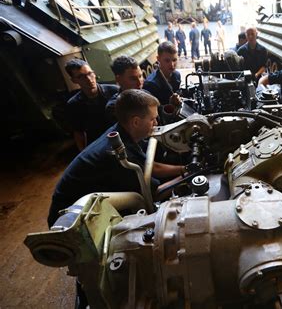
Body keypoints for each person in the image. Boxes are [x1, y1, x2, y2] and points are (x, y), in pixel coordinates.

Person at [48, 89, 185, 227]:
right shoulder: (114, 154)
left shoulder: (121, 132)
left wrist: (183, 169)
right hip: (68, 223)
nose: (156, 123)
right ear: (136, 122)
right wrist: (188, 174)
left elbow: (151, 167)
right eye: (152, 119)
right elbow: (151, 195)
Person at [64, 59, 118, 151]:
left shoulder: (115, 91)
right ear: (74, 80)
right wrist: (83, 152)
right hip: (98, 145)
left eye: (90, 73)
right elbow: (79, 132)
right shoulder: (74, 104)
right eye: (81, 77)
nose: (89, 79)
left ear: (94, 73)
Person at [105, 55, 144, 121]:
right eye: (133, 79)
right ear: (118, 79)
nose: (139, 83)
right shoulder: (115, 107)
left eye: (140, 76)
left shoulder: (146, 93)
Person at [143, 41, 182, 106]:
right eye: (167, 60)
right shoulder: (151, 84)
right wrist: (169, 105)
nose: (172, 65)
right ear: (158, 59)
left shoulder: (177, 75)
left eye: (174, 60)